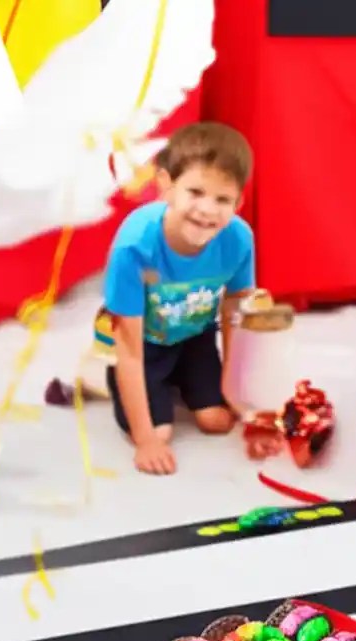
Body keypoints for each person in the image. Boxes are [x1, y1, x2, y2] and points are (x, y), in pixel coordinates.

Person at [101, 121, 256, 475]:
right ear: (166, 186)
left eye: (222, 199)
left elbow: (236, 312)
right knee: (161, 431)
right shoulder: (135, 246)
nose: (207, 210)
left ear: (239, 203)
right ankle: (110, 379)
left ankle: (181, 380)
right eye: (195, 192)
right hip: (143, 339)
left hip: (194, 334)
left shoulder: (239, 239)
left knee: (216, 421)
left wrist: (238, 390)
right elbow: (127, 347)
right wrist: (145, 441)